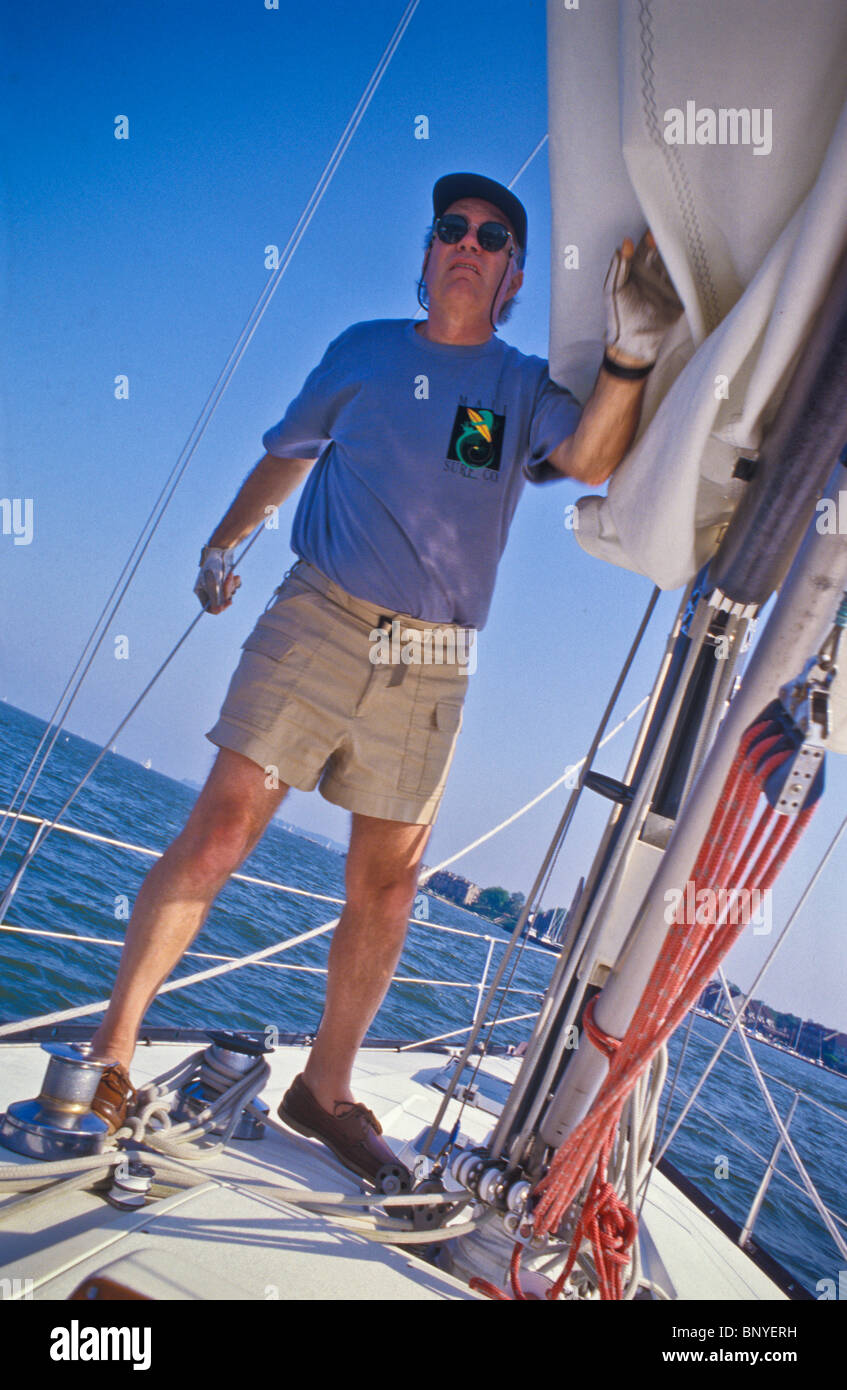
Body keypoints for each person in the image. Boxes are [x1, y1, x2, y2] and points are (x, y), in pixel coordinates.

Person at [88, 173, 682, 1183]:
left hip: (436, 653)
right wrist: (222, 542)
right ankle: (110, 1053)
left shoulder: (519, 386)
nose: (467, 241)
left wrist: (629, 350)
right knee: (226, 824)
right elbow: (286, 454)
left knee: (392, 882)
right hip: (318, 610)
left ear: (512, 276)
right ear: (425, 254)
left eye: (491, 236)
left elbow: (588, 456)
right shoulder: (361, 352)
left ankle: (324, 1088)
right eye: (450, 227)